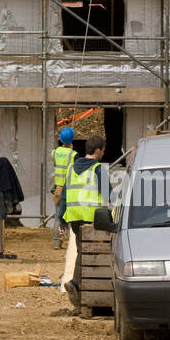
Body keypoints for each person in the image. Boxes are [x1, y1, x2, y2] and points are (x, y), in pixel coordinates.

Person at [61, 134, 108, 306]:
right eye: (103, 150)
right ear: (97, 151)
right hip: (93, 218)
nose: (103, 153)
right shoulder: (99, 169)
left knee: (83, 251)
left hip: (74, 219)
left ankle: (80, 290)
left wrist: (60, 220)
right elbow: (108, 195)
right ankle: (76, 284)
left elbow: (64, 197)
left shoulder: (71, 168)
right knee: (90, 253)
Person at [49, 126, 77, 247]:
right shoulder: (73, 154)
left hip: (57, 188)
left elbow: (55, 155)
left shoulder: (55, 152)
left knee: (58, 215)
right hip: (68, 188)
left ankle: (56, 242)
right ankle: (70, 242)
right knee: (69, 215)